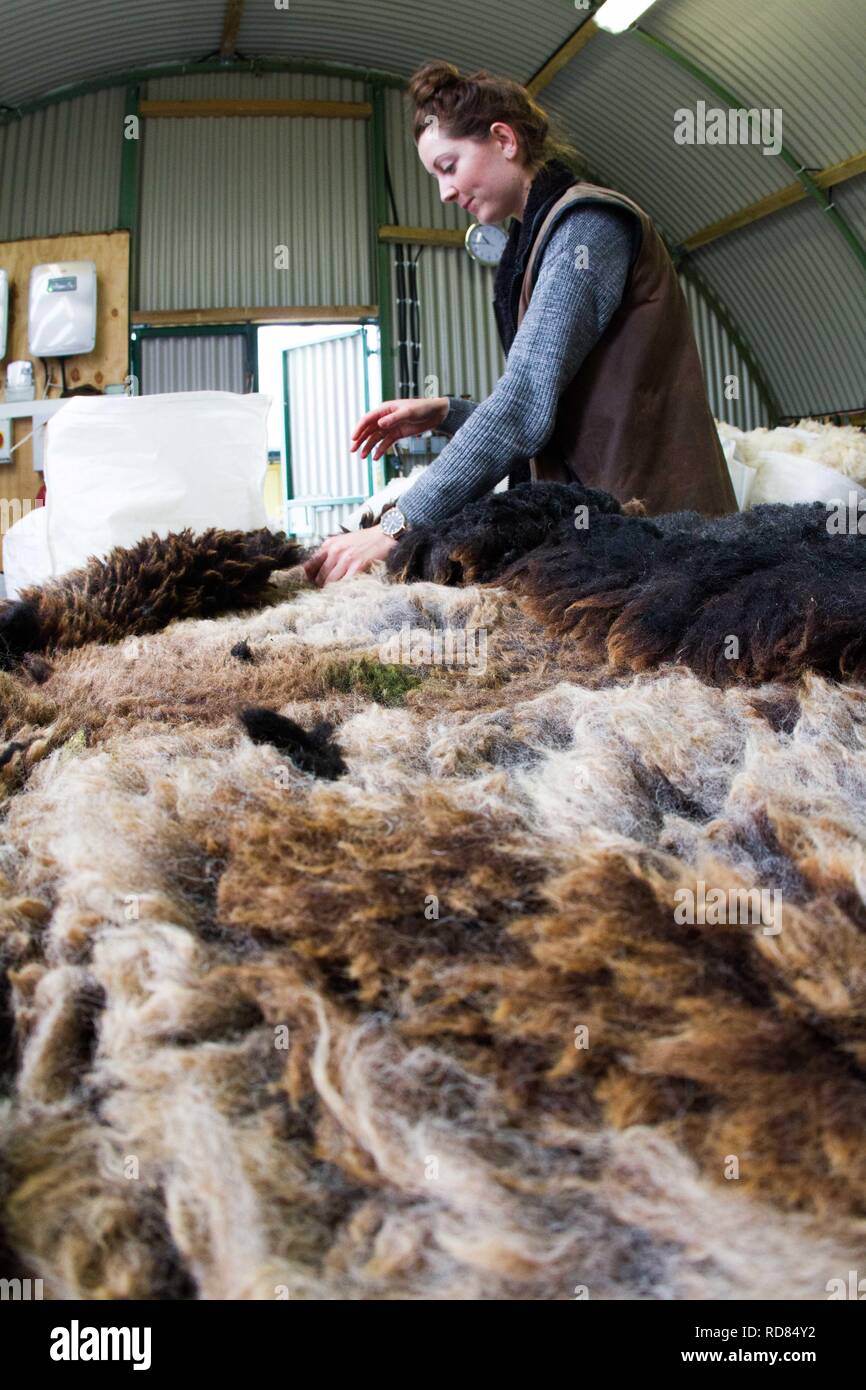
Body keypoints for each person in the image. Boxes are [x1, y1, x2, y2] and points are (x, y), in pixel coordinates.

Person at [304, 60, 736, 588]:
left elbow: (525, 403)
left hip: (665, 540)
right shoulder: (533, 244)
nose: (444, 192)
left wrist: (395, 524)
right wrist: (444, 412)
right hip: (614, 535)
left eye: (448, 165)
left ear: (503, 139)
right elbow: (552, 414)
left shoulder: (586, 227)